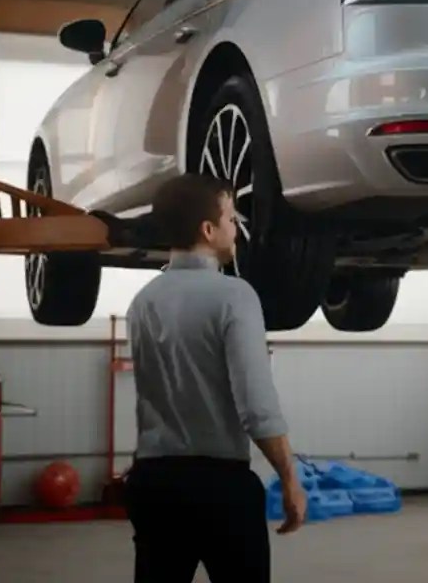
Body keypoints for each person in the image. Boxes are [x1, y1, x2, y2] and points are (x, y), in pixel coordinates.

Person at [123, 173, 307, 583]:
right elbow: (257, 406)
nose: (236, 228)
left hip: (153, 482)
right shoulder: (234, 295)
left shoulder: (143, 302)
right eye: (229, 218)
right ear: (208, 230)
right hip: (218, 487)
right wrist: (290, 479)